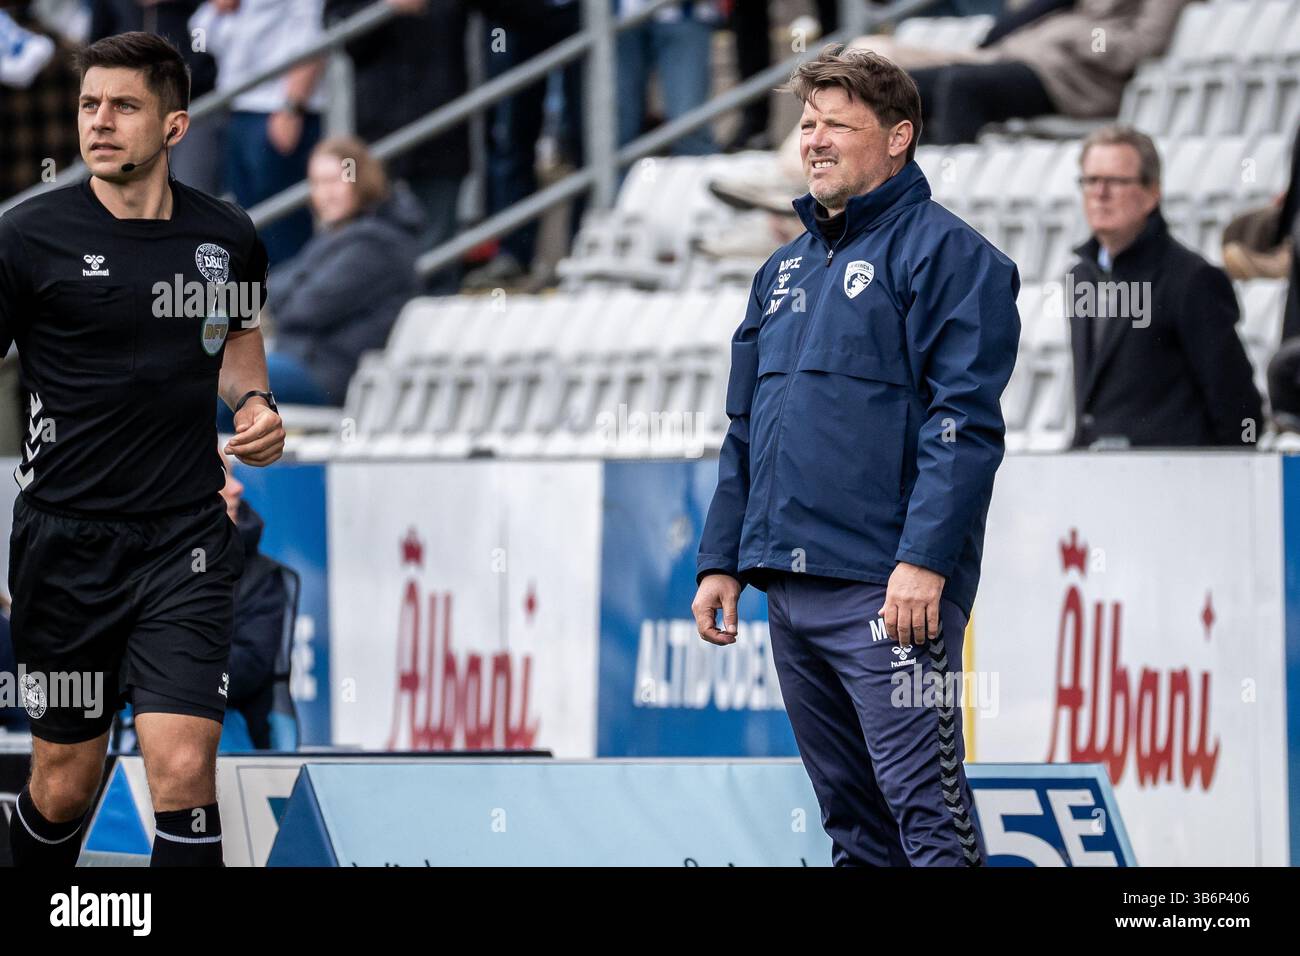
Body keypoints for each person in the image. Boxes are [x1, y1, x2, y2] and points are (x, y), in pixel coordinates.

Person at [693, 45, 1020, 867]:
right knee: (853, 826)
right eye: (807, 125)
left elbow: (964, 426)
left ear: (899, 136)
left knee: (928, 821)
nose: (816, 140)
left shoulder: (954, 257)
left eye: (839, 124)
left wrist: (923, 560)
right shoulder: (779, 271)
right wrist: (721, 561)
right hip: (789, 593)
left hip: (889, 593)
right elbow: (745, 428)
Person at [0, 32, 285, 867]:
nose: (99, 122)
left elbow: (237, 343)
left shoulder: (225, 235)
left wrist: (258, 404)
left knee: (186, 766)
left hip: (185, 539)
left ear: (174, 126)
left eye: (123, 106)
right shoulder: (27, 238)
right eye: (90, 104)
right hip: (64, 544)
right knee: (63, 782)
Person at [1067, 126, 1262, 448]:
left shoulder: (1192, 279)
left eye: (1115, 181)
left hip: (1173, 484)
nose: (1099, 193)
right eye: (1090, 180)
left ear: (1152, 193)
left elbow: (1238, 407)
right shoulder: (1080, 277)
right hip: (1097, 480)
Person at [215, 135, 421, 427]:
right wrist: (289, 288)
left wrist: (288, 290)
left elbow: (305, 308)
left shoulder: (377, 244)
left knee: (218, 378)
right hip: (302, 360)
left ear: (360, 180)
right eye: (317, 183)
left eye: (334, 181)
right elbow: (275, 288)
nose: (324, 194)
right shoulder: (336, 237)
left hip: (331, 374)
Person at [189, 0, 328, 265]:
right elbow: (201, 38)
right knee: (249, 220)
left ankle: (292, 299)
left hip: (279, 109)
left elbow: (313, 35)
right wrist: (222, 9)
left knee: (284, 225)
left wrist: (292, 107)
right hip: (240, 108)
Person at [216, 447, 289, 749]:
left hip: (232, 737)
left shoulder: (262, 576)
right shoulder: (139, 569)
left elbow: (247, 670)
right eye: (222, 478)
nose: (238, 487)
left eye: (233, 476)